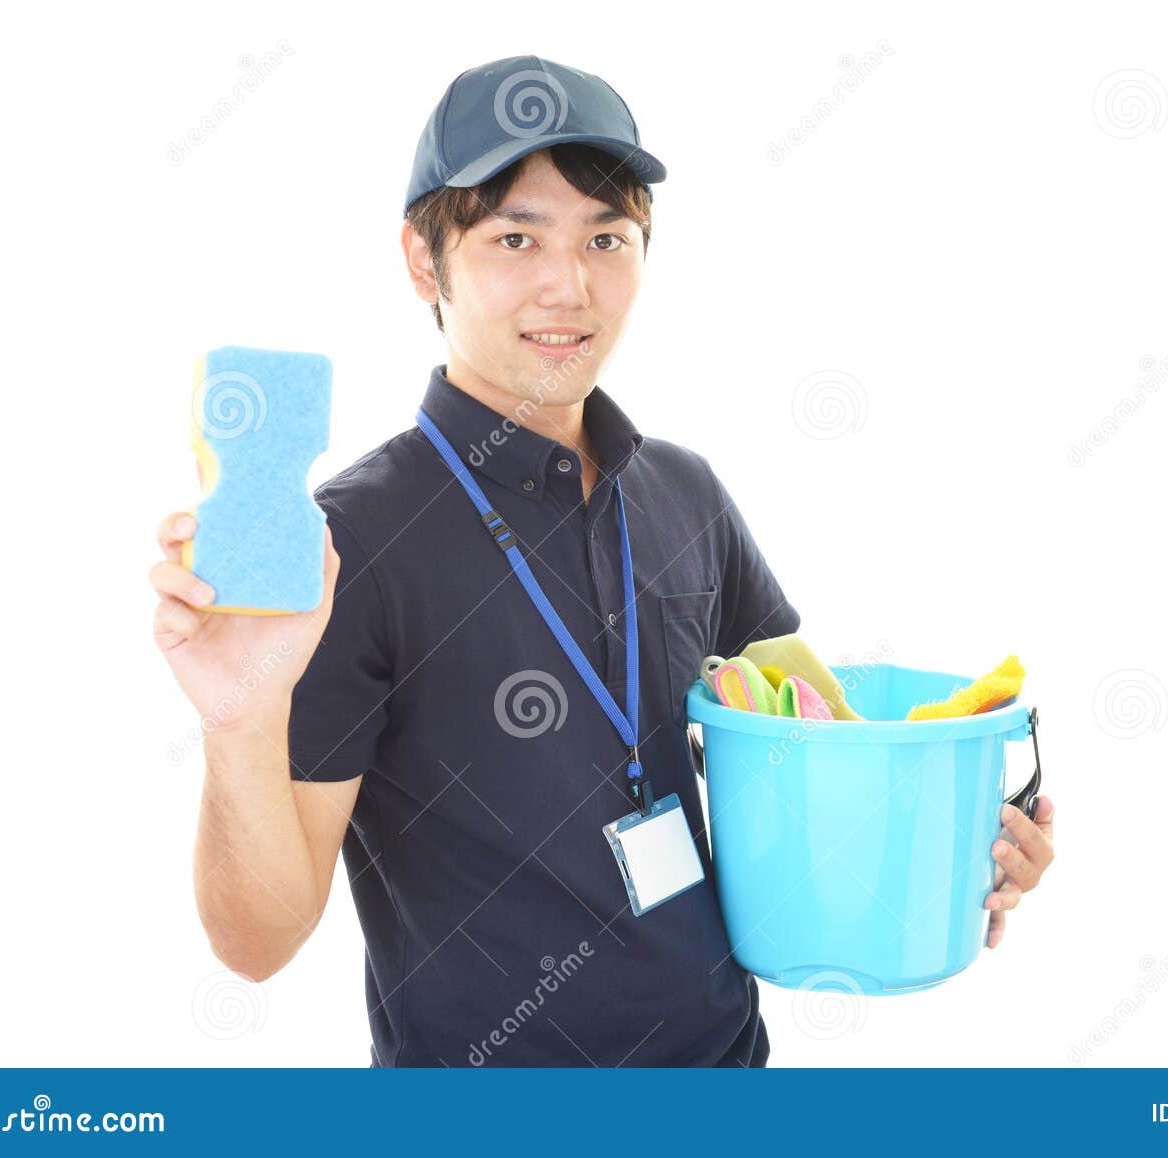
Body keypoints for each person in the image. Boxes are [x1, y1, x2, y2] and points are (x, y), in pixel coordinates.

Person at [149, 54, 1055, 1067]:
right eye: (513, 237)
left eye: (606, 237)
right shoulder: (346, 545)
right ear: (421, 261)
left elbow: (820, 760)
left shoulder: (686, 493)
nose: (567, 285)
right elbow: (256, 944)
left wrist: (952, 848)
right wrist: (235, 725)